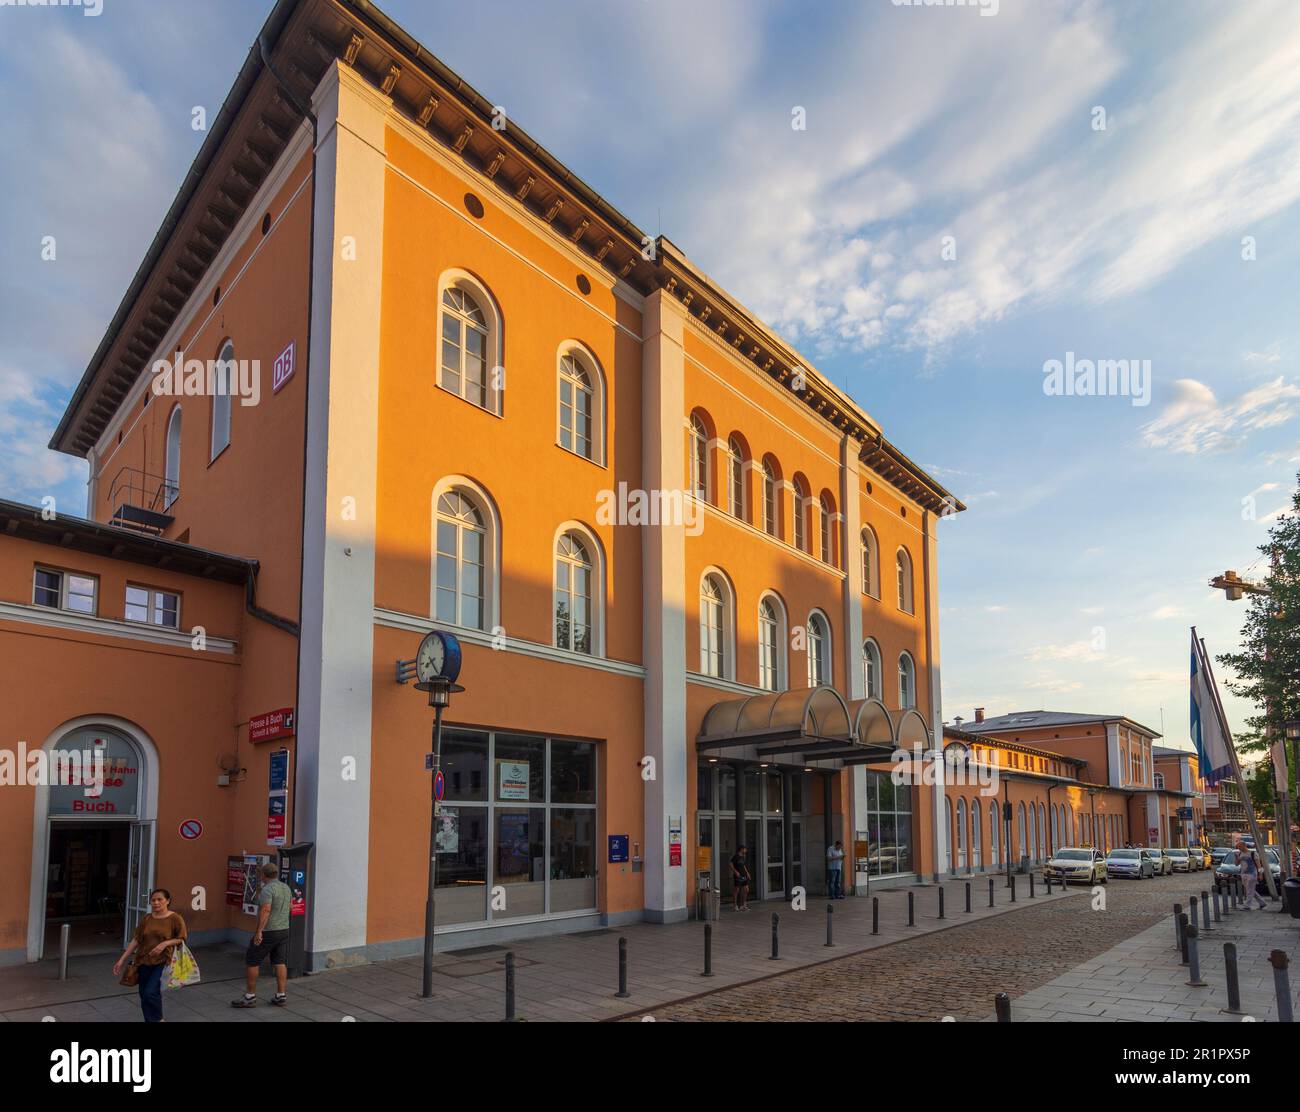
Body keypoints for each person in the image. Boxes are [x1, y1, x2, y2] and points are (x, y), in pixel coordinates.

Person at [113, 889, 187, 1022]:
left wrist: (164, 944)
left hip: (162, 961)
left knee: (150, 993)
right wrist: (121, 960)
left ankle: (159, 1019)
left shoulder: (175, 918)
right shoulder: (147, 918)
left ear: (168, 901)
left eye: (160, 900)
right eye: (153, 900)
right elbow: (136, 940)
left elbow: (181, 938)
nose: (156, 903)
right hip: (143, 961)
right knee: (144, 995)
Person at [232, 863, 293, 1007]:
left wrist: (259, 932)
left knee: (252, 960)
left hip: (268, 932)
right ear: (276, 874)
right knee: (279, 961)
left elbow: (266, 910)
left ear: (264, 875)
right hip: (284, 930)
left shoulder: (267, 889)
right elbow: (290, 907)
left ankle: (250, 997)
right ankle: (281, 995)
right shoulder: (286, 887)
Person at [1237, 841, 1268, 910]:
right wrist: (1236, 858)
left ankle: (1247, 906)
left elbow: (1259, 864)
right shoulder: (1240, 854)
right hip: (1243, 874)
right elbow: (1236, 864)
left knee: (1249, 890)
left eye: (1240, 846)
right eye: (1238, 847)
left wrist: (1260, 874)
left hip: (1252, 874)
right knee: (1250, 890)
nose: (1238, 848)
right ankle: (1262, 903)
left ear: (1244, 846)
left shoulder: (1253, 853)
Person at [729, 845, 752, 911]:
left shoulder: (743, 857)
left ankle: (743, 905)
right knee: (737, 890)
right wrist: (735, 872)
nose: (746, 850)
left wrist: (747, 873)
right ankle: (735, 905)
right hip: (738, 876)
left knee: (746, 889)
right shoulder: (736, 856)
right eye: (745, 849)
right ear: (741, 849)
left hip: (744, 875)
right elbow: (730, 864)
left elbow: (743, 865)